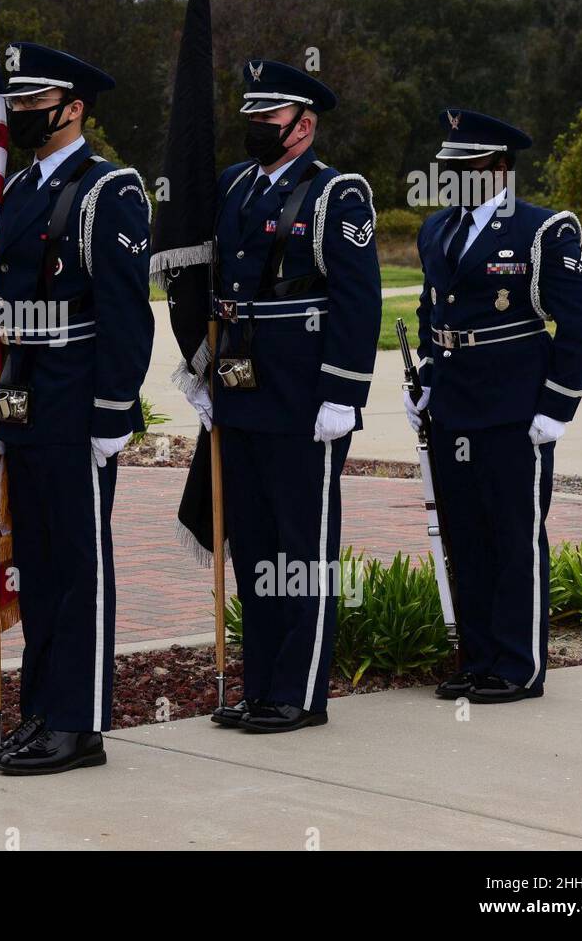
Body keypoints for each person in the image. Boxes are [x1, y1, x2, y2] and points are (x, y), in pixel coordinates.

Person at [0, 43, 154, 775]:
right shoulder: (15, 191)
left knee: (79, 561)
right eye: (16, 101)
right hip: (21, 396)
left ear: (73, 108)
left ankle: (79, 723)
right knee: (37, 564)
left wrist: (113, 410)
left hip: (78, 399)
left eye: (34, 101)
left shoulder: (112, 191)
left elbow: (127, 314)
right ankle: (39, 712)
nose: (20, 112)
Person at [182, 59, 382, 733]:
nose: (258, 128)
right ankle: (260, 685)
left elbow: (359, 301)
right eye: (254, 117)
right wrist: (205, 375)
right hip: (241, 391)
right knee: (256, 545)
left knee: (303, 547)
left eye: (271, 119)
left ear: (305, 125)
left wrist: (343, 393)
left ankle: (299, 692)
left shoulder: (336, 195)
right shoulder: (235, 186)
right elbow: (216, 288)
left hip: (303, 397)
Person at [405, 109, 582, 703]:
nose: (454, 177)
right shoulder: (438, 229)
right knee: (466, 535)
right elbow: (432, 309)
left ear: (498, 168)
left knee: (514, 536)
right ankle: (480, 660)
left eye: (466, 167)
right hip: (455, 406)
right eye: (450, 168)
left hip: (516, 407)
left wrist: (558, 405)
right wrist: (428, 383)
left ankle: (518, 667)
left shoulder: (542, 231)